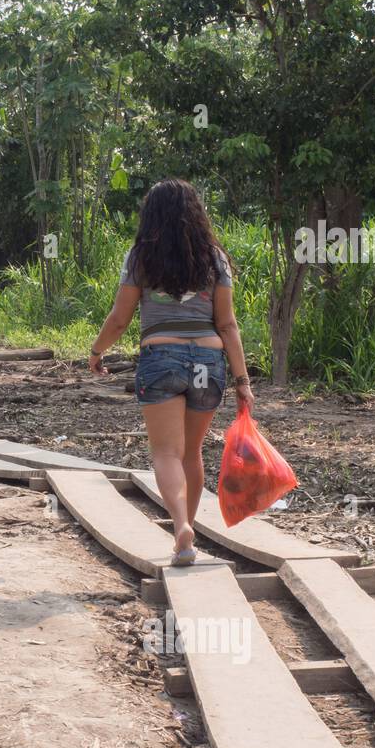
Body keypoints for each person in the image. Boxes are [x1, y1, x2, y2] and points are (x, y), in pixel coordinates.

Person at [87, 179, 254, 567]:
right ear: (196, 214)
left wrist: (97, 351)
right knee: (192, 452)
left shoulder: (141, 257)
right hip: (207, 363)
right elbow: (228, 324)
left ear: (151, 215)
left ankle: (181, 528)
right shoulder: (215, 258)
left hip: (162, 359)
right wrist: (243, 381)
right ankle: (186, 535)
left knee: (165, 452)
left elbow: (119, 319)